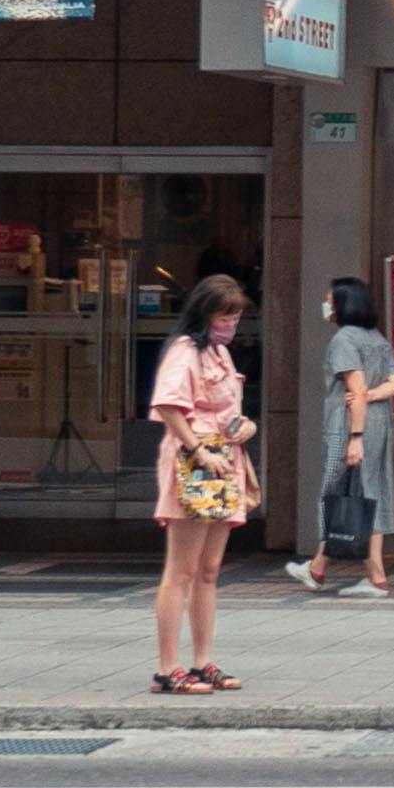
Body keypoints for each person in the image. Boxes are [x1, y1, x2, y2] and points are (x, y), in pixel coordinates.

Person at [149, 274, 257, 695]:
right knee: (182, 570)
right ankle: (167, 667)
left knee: (208, 571)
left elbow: (224, 408)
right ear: (205, 314)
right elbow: (169, 406)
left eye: (236, 316)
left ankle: (200, 661)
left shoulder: (219, 354)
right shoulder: (185, 351)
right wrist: (198, 449)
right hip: (195, 464)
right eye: (224, 316)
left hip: (222, 461)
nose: (231, 324)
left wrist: (243, 425)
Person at [286, 278, 394, 599]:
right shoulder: (377, 338)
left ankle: (325, 568)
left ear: (343, 304)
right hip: (380, 424)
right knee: (370, 493)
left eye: (330, 301)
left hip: (349, 425)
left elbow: (356, 387)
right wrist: (373, 395)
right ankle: (343, 571)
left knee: (335, 494)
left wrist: (355, 436)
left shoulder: (343, 340)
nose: (326, 307)